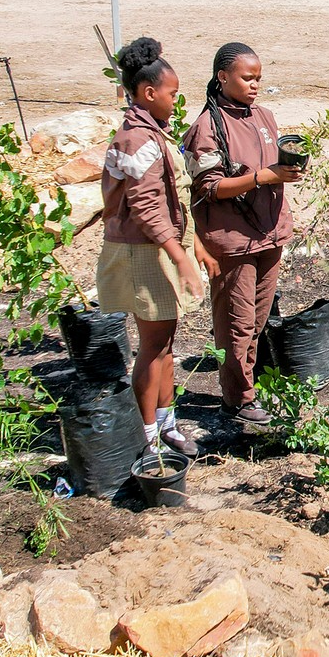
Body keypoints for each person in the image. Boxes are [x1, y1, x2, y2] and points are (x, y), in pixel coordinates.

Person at [97, 37, 214, 456]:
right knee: (152, 346)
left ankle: (165, 423)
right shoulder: (138, 140)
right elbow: (146, 210)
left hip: (158, 249)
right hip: (144, 254)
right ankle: (146, 438)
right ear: (149, 93)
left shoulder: (149, 133)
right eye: (171, 93)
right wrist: (180, 257)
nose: (174, 100)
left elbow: (172, 200)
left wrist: (193, 243)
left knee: (164, 341)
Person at [183, 42, 302, 427]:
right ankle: (238, 398)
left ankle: (245, 386)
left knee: (256, 320)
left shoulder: (264, 117)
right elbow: (209, 187)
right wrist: (264, 176)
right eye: (247, 78)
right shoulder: (206, 127)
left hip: (269, 234)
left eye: (258, 79)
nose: (255, 86)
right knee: (237, 321)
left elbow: (273, 164)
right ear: (222, 77)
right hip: (233, 241)